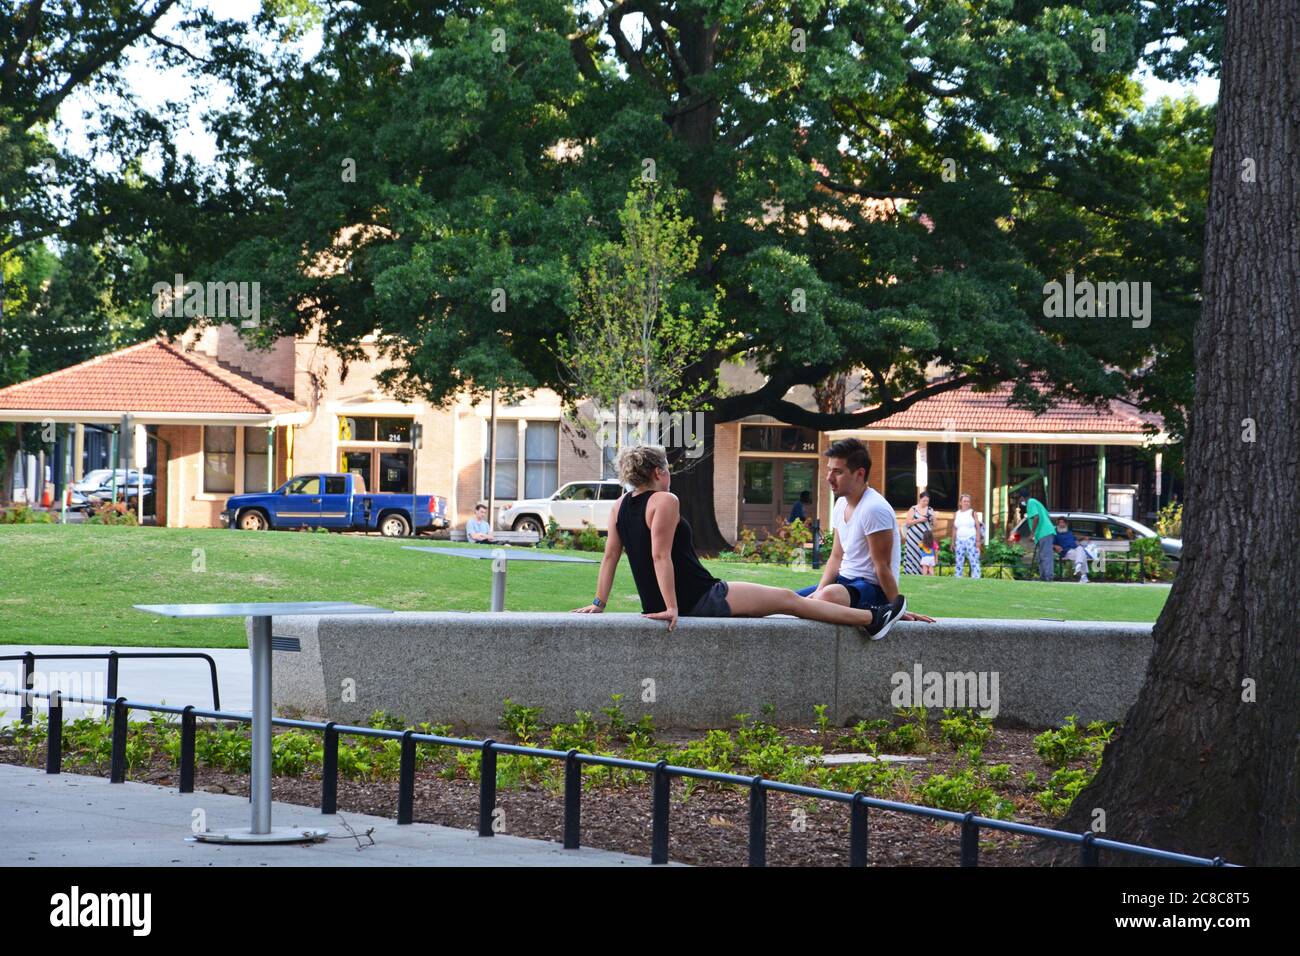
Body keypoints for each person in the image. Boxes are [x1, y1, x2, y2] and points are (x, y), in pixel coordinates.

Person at [572, 445, 919, 640]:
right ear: (657, 473)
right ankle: (872, 619)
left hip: (678, 599)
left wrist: (599, 602)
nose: (670, 475)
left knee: (791, 600)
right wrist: (673, 607)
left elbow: (610, 557)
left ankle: (874, 615)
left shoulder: (619, 506)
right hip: (703, 597)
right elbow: (661, 556)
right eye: (667, 469)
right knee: (787, 600)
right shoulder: (665, 500)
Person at [794, 438, 935, 626]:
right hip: (843, 584)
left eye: (837, 472)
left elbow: (882, 567)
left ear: (859, 473)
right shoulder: (841, 504)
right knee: (786, 598)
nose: (829, 477)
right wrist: (816, 594)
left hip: (870, 589)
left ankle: (874, 613)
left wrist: (896, 608)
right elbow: (836, 557)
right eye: (829, 470)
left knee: (825, 596)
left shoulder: (874, 508)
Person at [951, 493, 984, 578]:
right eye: (964, 501)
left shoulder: (972, 513)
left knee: (973, 559)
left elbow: (977, 527)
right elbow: (954, 528)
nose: (966, 503)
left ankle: (976, 577)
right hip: (959, 539)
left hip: (971, 538)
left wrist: (978, 541)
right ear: (960, 503)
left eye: (968, 501)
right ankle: (958, 577)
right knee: (959, 560)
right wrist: (953, 542)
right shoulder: (956, 513)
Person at [903, 490, 934, 574]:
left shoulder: (930, 509)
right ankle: (910, 572)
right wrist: (920, 520)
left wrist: (932, 519)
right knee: (912, 554)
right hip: (913, 538)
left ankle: (923, 573)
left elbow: (933, 525)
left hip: (925, 539)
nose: (926, 502)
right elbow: (908, 522)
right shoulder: (913, 508)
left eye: (927, 501)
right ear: (920, 499)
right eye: (924, 500)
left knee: (924, 556)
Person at [1025, 496, 1055, 581]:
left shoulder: (1030, 502)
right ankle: (1044, 576)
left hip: (1044, 532)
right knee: (1041, 556)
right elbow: (1047, 516)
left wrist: (1032, 533)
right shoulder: (1037, 503)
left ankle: (1048, 577)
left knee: (1046, 555)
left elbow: (1036, 517)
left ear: (1022, 498)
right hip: (1043, 532)